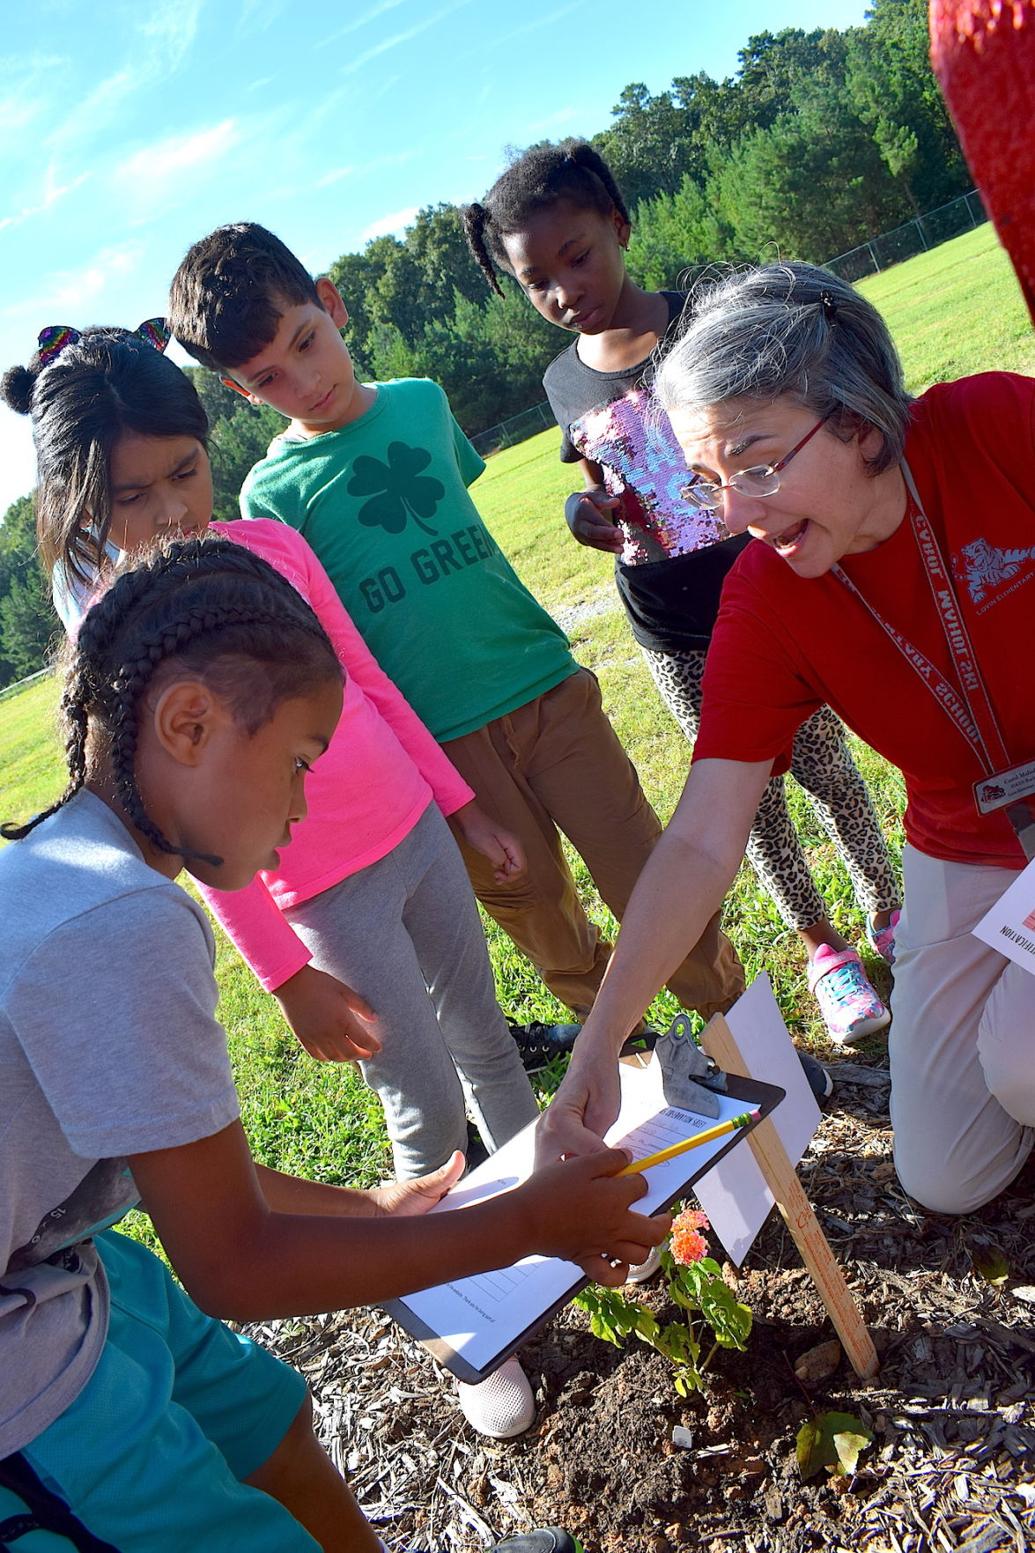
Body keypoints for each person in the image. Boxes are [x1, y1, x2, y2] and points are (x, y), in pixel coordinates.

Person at [0, 531, 666, 1553]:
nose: (303, 804)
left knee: (269, 1427)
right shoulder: (119, 921)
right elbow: (234, 1264)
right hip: (20, 1379)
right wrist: (524, 1223)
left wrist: (366, 1209)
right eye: (298, 764)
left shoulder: (71, 867)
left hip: (59, 1253)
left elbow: (188, 1178)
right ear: (189, 722)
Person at [3, 321, 561, 1439]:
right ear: (73, 512)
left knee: (488, 1038)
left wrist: (454, 801)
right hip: (328, 904)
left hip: (409, 827)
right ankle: (470, 1320)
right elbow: (185, 852)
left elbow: (369, 678)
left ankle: (547, 1224)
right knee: (421, 1102)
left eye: (186, 470)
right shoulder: (133, 714)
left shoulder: (272, 549)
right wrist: (287, 970)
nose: (171, 510)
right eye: (130, 493)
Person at [166, 221, 746, 1068]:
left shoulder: (423, 404)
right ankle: (625, 1050)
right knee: (536, 906)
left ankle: (730, 1019)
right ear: (243, 392)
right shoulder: (270, 494)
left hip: (543, 684)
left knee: (639, 863)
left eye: (306, 341)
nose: (304, 380)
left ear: (331, 305)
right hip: (442, 747)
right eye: (268, 377)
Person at [537, 260, 1035, 1219]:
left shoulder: (994, 426)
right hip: (966, 841)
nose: (732, 514)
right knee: (946, 1173)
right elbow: (700, 836)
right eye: (710, 481)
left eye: (755, 464)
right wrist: (601, 1044)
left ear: (855, 418)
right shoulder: (766, 594)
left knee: (1022, 1065)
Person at [463, 141, 901, 1047]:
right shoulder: (560, 381)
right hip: (672, 626)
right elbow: (600, 483)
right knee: (748, 799)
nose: (562, 290)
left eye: (576, 255)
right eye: (536, 279)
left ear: (618, 227)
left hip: (771, 585)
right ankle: (822, 948)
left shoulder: (705, 318)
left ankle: (885, 907)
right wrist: (584, 515)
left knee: (822, 764)